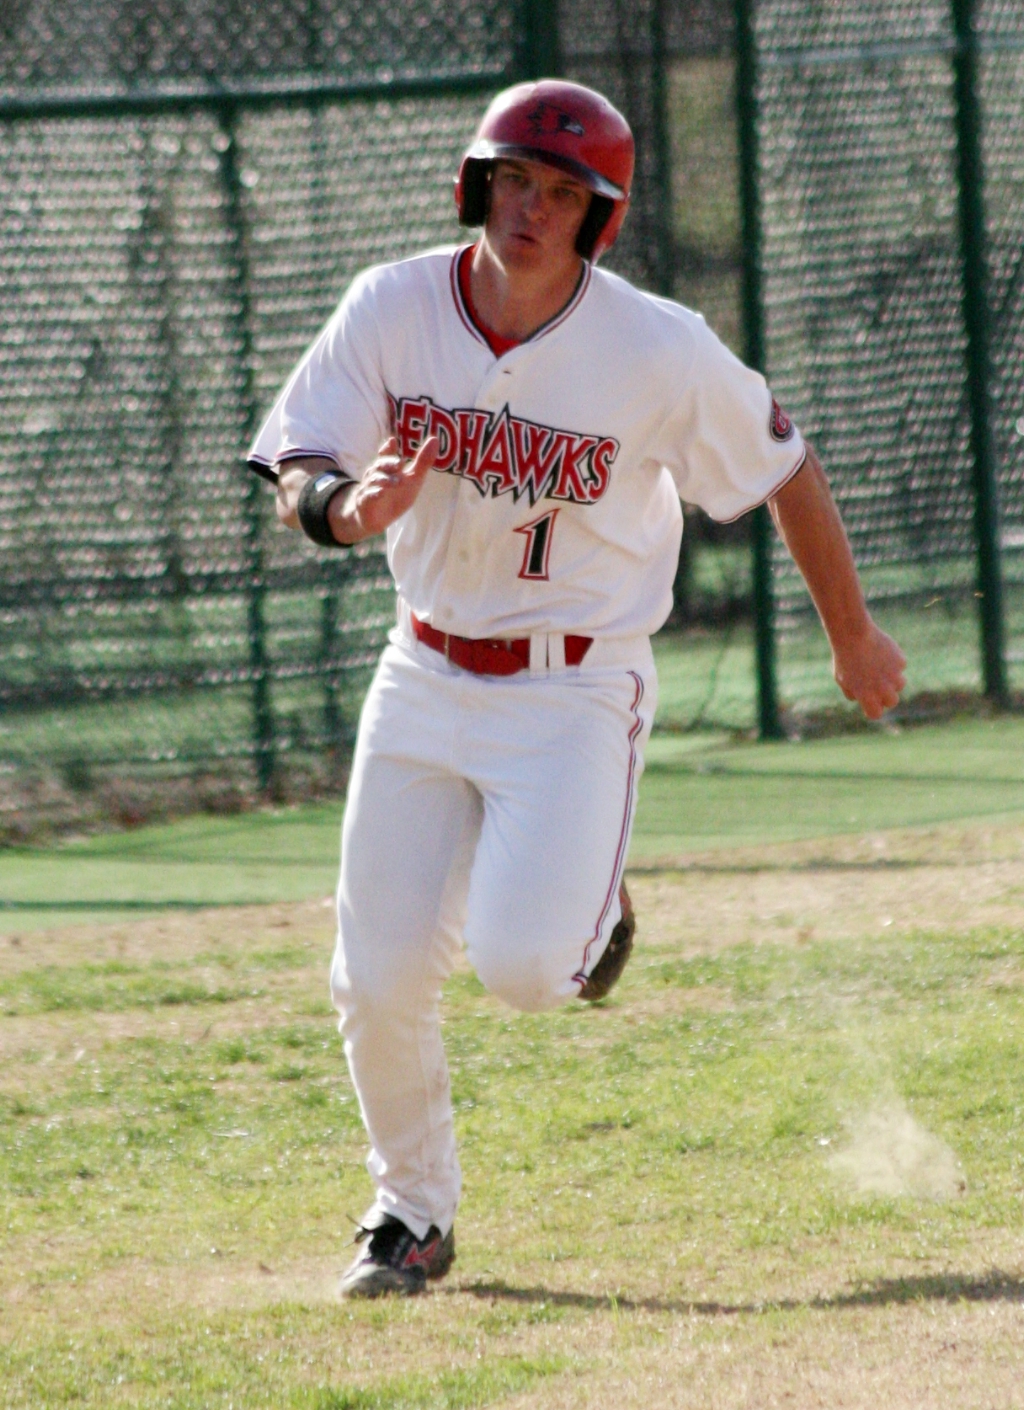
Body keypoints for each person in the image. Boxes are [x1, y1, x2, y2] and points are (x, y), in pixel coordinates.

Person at [248, 79, 906, 1298]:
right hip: (423, 667)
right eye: (514, 179)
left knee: (523, 970)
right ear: (475, 184)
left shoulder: (653, 344)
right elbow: (299, 464)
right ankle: (410, 1217)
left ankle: (590, 916)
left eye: (563, 192)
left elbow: (784, 464)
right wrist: (351, 511)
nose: (531, 208)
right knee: (374, 973)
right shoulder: (393, 304)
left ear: (598, 218)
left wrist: (852, 636)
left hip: (573, 689)